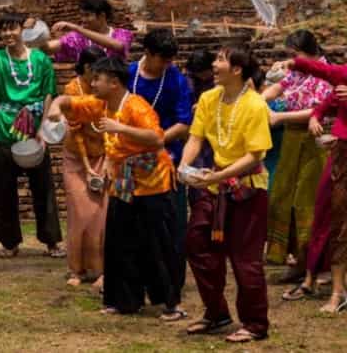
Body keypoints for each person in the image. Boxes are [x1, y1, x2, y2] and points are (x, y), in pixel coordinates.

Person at [49, 57, 183, 319]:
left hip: (152, 182)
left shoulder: (136, 106)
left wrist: (120, 127)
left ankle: (170, 303)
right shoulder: (101, 105)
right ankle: (124, 300)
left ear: (114, 82)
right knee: (120, 240)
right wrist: (55, 107)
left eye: (97, 78)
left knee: (157, 243)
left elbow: (156, 139)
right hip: (123, 179)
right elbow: (68, 102)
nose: (93, 83)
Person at [179, 45, 271, 343]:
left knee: (245, 260)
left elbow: (255, 156)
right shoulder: (209, 98)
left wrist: (218, 175)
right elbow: (196, 137)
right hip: (214, 184)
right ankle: (216, 312)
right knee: (197, 242)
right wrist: (184, 164)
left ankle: (256, 323)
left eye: (220, 59)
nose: (214, 64)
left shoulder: (255, 104)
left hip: (246, 189)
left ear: (237, 70)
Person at [0, 2, 63, 258]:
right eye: (3, 31)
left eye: (12, 29)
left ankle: (51, 241)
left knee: (43, 186)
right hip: (4, 128)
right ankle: (10, 242)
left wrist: (43, 129)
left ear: (22, 30)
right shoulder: (0, 58)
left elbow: (48, 95)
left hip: (34, 127)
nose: (8, 34)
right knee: (5, 187)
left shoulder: (41, 59)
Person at [273, 56, 347, 314]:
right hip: (341, 156)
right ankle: (329, 286)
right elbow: (324, 76)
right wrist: (316, 117)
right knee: (330, 215)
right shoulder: (343, 79)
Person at [262, 31, 332, 280]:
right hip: (291, 142)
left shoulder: (325, 72)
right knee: (281, 196)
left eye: (295, 54)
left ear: (311, 52)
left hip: (312, 141)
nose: (291, 59)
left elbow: (319, 109)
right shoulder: (296, 72)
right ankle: (295, 259)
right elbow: (277, 88)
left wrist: (280, 117)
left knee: (307, 200)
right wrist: (257, 101)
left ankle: (312, 263)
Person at [126, 29, 193, 290]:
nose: (168, 65)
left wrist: (156, 140)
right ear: (149, 54)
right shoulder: (128, 75)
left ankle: (169, 283)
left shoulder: (176, 80)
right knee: (128, 220)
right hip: (127, 159)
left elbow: (184, 123)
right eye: (163, 60)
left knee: (169, 222)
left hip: (165, 158)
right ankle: (132, 282)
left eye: (170, 60)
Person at [57, 47, 109, 287]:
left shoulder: (108, 91)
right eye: (96, 74)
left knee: (101, 215)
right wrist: (88, 168)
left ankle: (100, 270)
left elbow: (112, 128)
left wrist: (108, 160)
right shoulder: (72, 90)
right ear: (87, 69)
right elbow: (76, 132)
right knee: (80, 212)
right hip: (77, 158)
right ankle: (76, 269)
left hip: (103, 154)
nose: (99, 80)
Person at [46, 0, 134, 62]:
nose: (83, 20)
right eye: (82, 15)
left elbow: (117, 46)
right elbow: (49, 48)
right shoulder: (77, 38)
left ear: (102, 16)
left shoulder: (122, 34)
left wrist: (77, 28)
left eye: (87, 15)